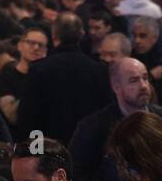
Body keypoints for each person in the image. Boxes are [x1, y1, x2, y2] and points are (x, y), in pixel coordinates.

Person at [69, 57, 162, 181]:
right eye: (134, 80)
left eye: (145, 78)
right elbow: (78, 173)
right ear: (117, 87)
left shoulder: (160, 116)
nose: (144, 86)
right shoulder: (95, 126)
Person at [18, 13, 111, 144]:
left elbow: (29, 119)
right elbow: (106, 116)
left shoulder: (39, 70)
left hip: (50, 153)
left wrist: (35, 151)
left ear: (54, 35)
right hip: (89, 149)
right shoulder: (99, 70)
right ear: (82, 34)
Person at [0, 25, 49, 136]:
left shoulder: (49, 78)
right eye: (31, 43)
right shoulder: (4, 79)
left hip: (44, 139)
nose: (36, 47)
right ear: (20, 46)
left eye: (40, 45)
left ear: (45, 51)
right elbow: (12, 116)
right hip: (18, 142)